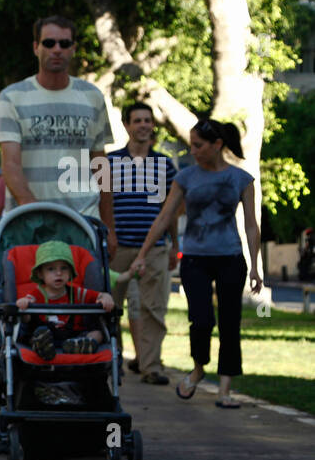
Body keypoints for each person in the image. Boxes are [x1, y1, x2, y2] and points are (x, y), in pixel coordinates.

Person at [132, 118, 262, 408]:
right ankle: (199, 367)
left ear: (217, 145)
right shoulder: (186, 177)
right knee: (201, 320)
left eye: (198, 145)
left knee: (230, 322)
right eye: (191, 144)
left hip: (230, 258)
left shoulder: (241, 179)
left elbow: (252, 225)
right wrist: (143, 253)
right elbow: (165, 216)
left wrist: (255, 266)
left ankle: (225, 390)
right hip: (195, 260)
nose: (192, 151)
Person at [0, 15, 114, 221]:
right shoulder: (11, 98)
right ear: (36, 47)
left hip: (84, 220)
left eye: (64, 43)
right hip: (30, 222)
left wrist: (109, 226)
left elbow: (100, 164)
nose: (57, 49)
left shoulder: (92, 96)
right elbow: (10, 165)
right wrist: (32, 209)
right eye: (49, 43)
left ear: (73, 49)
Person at [107, 101, 179, 385]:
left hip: (157, 248)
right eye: (137, 120)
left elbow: (171, 209)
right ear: (126, 125)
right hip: (118, 247)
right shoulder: (110, 162)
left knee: (154, 308)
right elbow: (103, 205)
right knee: (110, 307)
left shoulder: (165, 165)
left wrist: (175, 244)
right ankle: (113, 362)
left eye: (147, 120)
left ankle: (151, 367)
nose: (143, 125)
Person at [16, 240, 115, 359]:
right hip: (47, 337)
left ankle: (80, 345)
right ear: (40, 274)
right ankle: (41, 346)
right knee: (37, 332)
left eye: (64, 268)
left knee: (98, 334)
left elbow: (100, 295)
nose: (58, 273)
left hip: (74, 337)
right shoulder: (36, 295)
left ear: (70, 272)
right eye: (51, 269)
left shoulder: (77, 293)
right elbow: (26, 318)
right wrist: (23, 305)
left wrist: (106, 297)